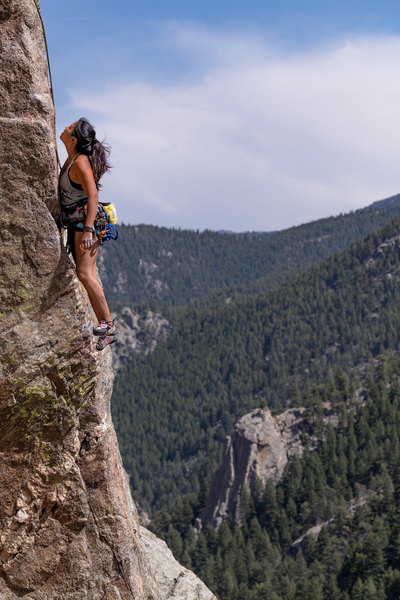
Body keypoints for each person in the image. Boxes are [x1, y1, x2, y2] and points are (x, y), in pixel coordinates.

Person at [59, 118, 117, 351]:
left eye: (70, 127)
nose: (65, 127)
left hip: (87, 222)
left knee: (85, 273)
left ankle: (109, 326)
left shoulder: (81, 162)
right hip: (81, 221)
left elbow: (92, 196)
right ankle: (105, 324)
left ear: (74, 139)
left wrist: (88, 229)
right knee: (85, 274)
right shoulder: (73, 157)